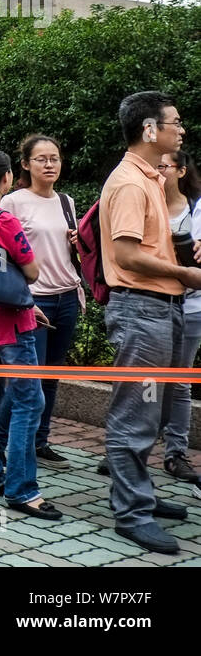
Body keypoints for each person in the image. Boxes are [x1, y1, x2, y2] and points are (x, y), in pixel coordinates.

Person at [100, 92, 199, 554]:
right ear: (149, 130)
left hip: (162, 308)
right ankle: (132, 513)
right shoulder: (130, 183)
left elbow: (147, 245)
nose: (181, 130)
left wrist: (180, 253)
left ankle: (139, 494)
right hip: (141, 310)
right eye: (175, 122)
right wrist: (184, 272)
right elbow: (125, 255)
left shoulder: (151, 179)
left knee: (154, 408)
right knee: (135, 413)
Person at [0, 148, 60, 520]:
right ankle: (22, 489)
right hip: (12, 325)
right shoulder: (3, 220)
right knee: (28, 402)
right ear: (5, 178)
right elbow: (31, 271)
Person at [0, 134, 85, 470]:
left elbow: (70, 253)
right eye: (41, 159)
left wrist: (78, 243)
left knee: (50, 377)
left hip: (65, 296)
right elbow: (3, 258)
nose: (50, 165)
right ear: (25, 164)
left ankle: (40, 442)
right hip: (34, 301)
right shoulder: (14, 202)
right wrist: (21, 299)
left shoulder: (66, 202)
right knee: (27, 380)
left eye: (55, 158)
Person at [161, 149, 201, 484]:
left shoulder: (197, 208)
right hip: (154, 304)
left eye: (164, 166)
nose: (158, 171)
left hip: (191, 307)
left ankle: (175, 453)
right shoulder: (142, 201)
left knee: (179, 381)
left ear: (181, 171)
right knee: (142, 381)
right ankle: (130, 450)